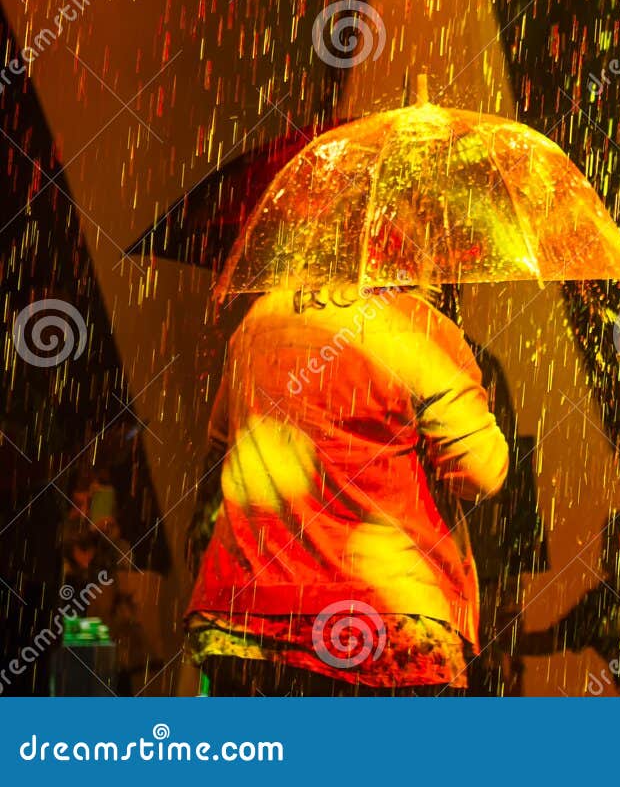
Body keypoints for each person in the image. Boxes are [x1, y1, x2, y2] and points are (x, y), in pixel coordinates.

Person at [185, 284, 508, 695]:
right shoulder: (416, 325)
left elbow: (221, 440)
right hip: (381, 618)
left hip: (243, 618)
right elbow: (480, 475)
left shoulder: (260, 317)